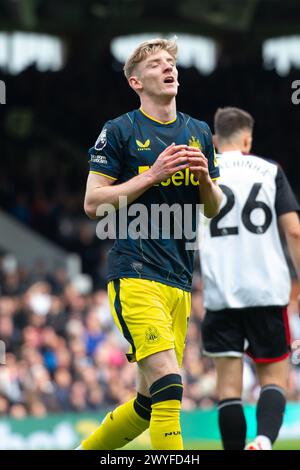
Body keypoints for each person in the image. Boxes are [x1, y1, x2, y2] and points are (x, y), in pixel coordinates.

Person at [76, 38, 222, 450]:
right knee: (170, 385)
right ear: (136, 81)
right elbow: (92, 203)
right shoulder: (120, 130)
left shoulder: (199, 132)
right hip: (136, 275)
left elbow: (212, 208)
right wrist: (151, 176)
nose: (169, 68)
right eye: (158, 64)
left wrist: (205, 181)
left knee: (147, 404)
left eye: (172, 62)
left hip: (179, 282)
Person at [199, 107, 300, 450]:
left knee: (229, 389)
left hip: (221, 293)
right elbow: (295, 232)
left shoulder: (203, 173)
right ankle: (262, 440)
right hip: (267, 291)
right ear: (247, 139)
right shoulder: (270, 171)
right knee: (274, 379)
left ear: (214, 139)